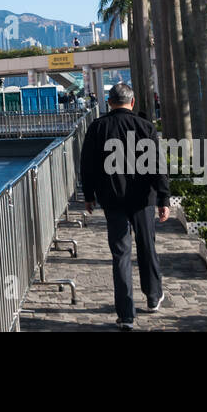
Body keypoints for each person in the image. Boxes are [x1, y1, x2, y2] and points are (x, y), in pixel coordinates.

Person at [79, 82, 169, 331]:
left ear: (109, 103)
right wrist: (163, 199)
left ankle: (126, 315)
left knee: (120, 254)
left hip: (112, 198)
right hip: (143, 199)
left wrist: (88, 195)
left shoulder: (98, 127)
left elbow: (87, 165)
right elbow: (157, 166)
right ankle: (153, 297)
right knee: (147, 246)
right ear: (132, 102)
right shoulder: (146, 127)